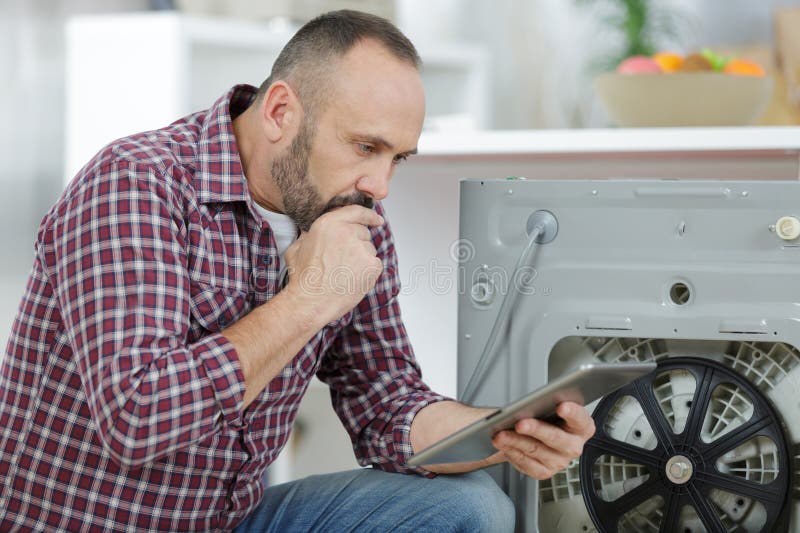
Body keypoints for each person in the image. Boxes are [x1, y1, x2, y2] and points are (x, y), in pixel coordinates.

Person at [0, 9, 594, 532]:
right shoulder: (135, 183)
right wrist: (308, 299)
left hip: (229, 519)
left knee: (474, 506)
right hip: (92, 521)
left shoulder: (353, 219)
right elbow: (137, 417)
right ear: (281, 111)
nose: (380, 185)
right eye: (365, 147)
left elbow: (386, 404)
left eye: (397, 158)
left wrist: (503, 431)